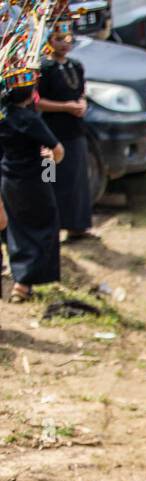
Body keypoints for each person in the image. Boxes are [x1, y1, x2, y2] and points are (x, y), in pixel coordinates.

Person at [0, 74, 64, 302]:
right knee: (45, 224)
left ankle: (20, 282)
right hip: (36, 181)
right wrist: (50, 166)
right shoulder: (30, 119)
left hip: (9, 180)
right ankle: (27, 281)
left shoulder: (3, 116)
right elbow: (57, 151)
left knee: (17, 227)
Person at [37, 19, 93, 240]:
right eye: (58, 39)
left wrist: (81, 104)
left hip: (75, 129)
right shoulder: (44, 69)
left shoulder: (75, 66)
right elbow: (38, 101)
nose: (63, 44)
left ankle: (78, 224)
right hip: (53, 130)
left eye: (67, 39)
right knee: (53, 178)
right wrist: (65, 107)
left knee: (78, 178)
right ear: (50, 41)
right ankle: (55, 225)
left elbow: (81, 91)